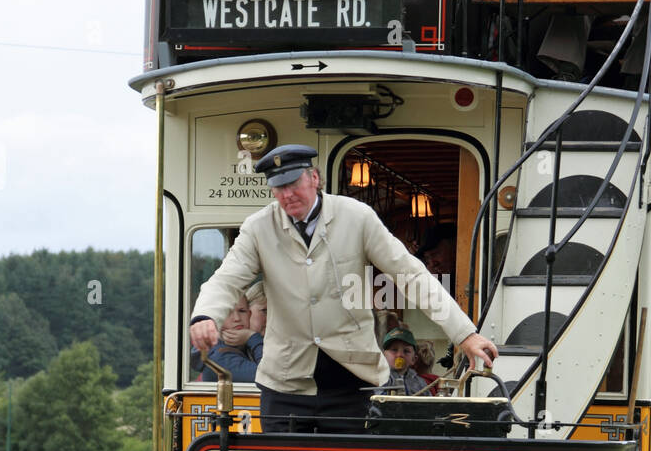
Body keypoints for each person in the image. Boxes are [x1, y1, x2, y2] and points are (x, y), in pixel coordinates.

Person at [189, 146, 497, 432]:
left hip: (354, 385)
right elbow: (226, 279)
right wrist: (205, 315)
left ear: (314, 178)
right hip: (285, 386)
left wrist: (464, 334)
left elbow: (410, 275)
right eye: (279, 188)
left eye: (294, 183)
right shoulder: (258, 227)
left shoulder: (357, 217)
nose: (287, 194)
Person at [192, 292, 266, 382]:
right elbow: (268, 376)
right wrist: (252, 337)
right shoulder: (219, 356)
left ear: (249, 314)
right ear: (215, 318)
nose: (237, 318)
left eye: (242, 311)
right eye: (227, 312)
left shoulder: (242, 346)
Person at [376, 326, 429, 395]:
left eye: (406, 351)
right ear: (383, 356)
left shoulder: (420, 383)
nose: (400, 355)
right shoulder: (378, 379)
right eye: (394, 350)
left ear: (413, 359)